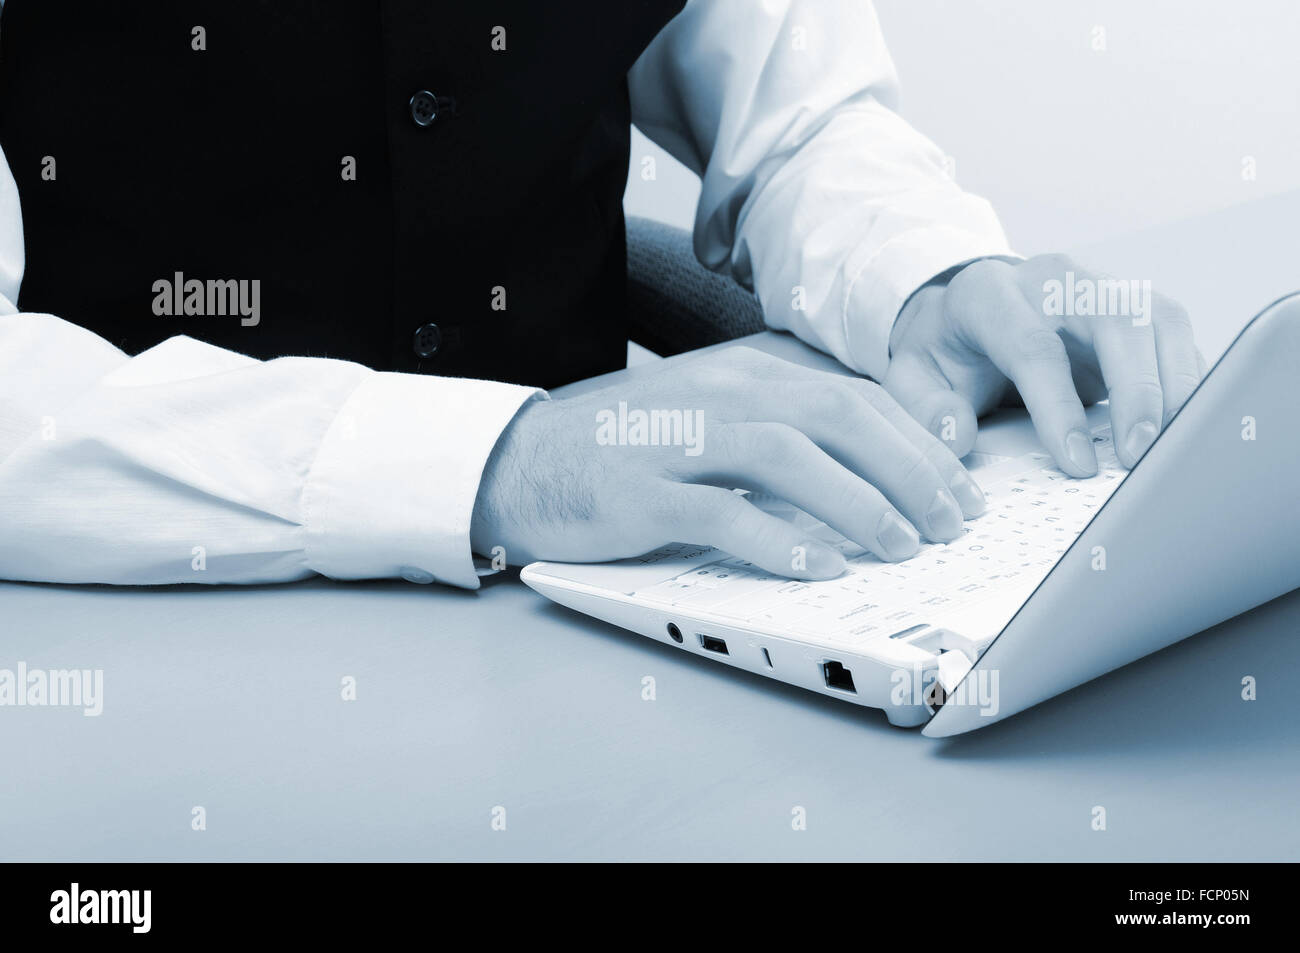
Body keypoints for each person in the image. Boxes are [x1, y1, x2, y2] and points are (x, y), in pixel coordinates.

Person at [0, 0, 1201, 587]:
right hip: (158, 604)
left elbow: (790, 111)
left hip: (601, 600)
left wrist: (923, 271)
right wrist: (492, 463)